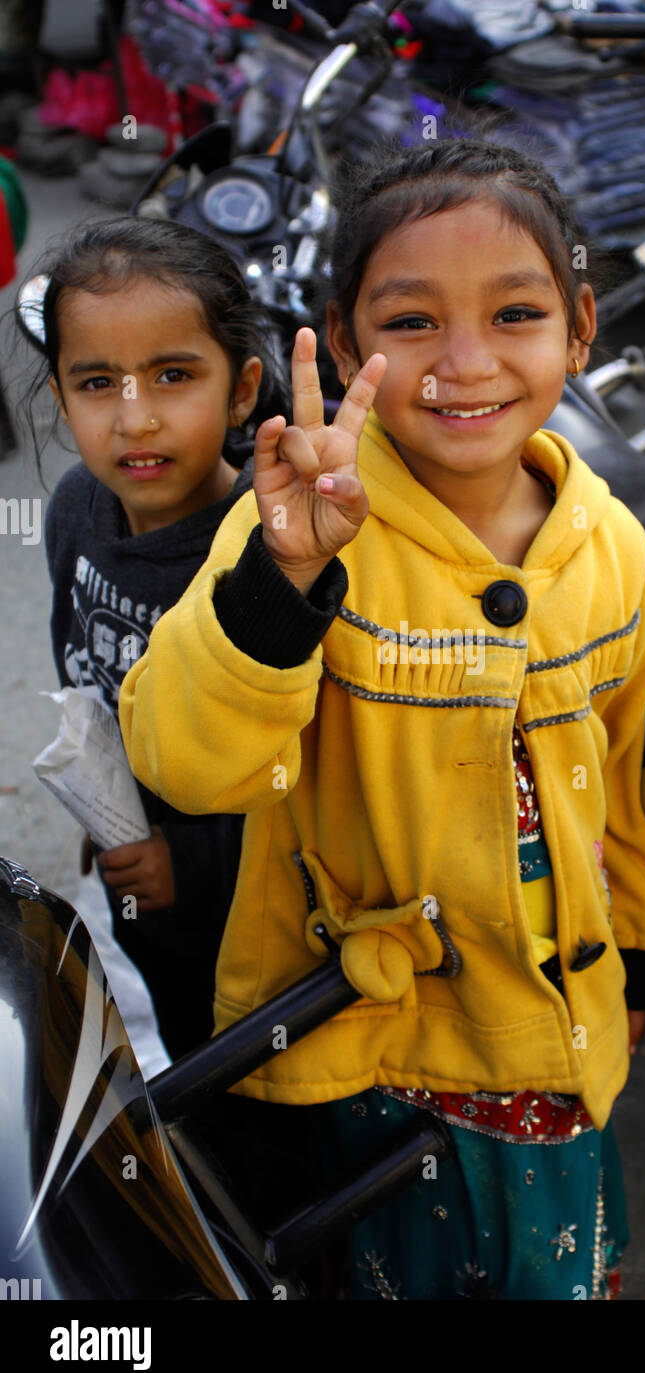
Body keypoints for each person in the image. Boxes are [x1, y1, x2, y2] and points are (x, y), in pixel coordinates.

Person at [119, 137, 645, 1298]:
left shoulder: (612, 545)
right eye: (413, 321)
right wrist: (283, 582)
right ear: (341, 339)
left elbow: (612, 782)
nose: (464, 362)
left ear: (579, 328)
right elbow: (184, 758)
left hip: (557, 1033)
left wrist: (635, 955)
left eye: (515, 312)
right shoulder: (304, 528)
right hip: (388, 1054)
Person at [27, 215, 276, 1060]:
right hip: (140, 883)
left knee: (265, 1099)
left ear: (241, 391)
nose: (134, 419)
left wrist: (192, 861)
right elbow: (85, 677)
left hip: (262, 927)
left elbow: (301, 770)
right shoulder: (75, 510)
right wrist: (107, 812)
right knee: (186, 1058)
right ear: (59, 395)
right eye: (97, 383)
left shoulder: (269, 552)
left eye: (173, 375)